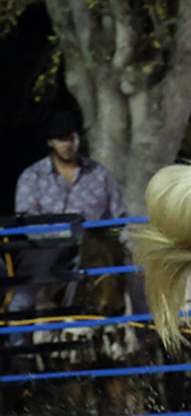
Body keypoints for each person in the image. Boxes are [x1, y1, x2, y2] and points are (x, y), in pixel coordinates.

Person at [7, 109, 129, 314]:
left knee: (126, 269)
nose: (68, 145)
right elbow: (28, 220)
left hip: (95, 245)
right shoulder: (32, 177)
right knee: (28, 286)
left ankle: (144, 328)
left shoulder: (100, 174)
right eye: (61, 140)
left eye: (72, 138)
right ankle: (17, 323)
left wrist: (117, 237)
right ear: (50, 143)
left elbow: (119, 213)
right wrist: (61, 237)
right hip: (48, 247)